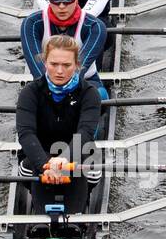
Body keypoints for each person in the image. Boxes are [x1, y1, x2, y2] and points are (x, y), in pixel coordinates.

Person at [16, 35, 103, 215]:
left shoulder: (89, 93)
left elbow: (85, 132)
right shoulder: (30, 92)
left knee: (90, 169)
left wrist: (64, 160)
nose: (60, 71)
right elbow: (26, 133)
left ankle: (77, 213)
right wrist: (46, 165)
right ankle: (42, 213)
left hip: (78, 155)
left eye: (66, 65)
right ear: (45, 62)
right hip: (40, 155)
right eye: (54, 64)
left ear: (77, 65)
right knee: (26, 168)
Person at [20, 0, 109, 104]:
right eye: (55, 0)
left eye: (68, 0)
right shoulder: (32, 24)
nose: (61, 6)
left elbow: (80, 67)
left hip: (85, 80)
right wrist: (50, 93)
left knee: (98, 96)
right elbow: (37, 68)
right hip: (44, 81)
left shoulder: (94, 26)